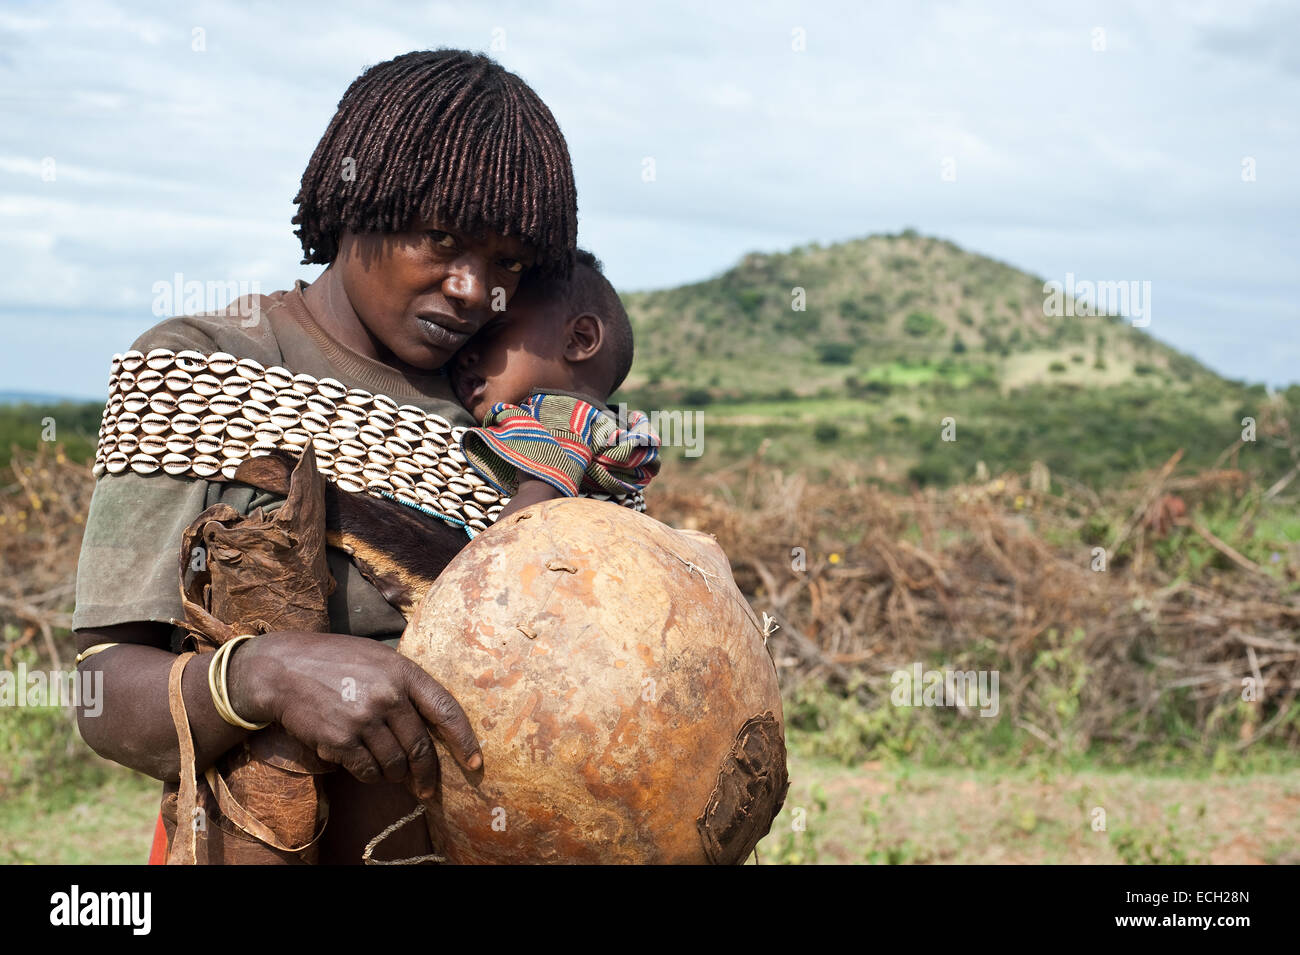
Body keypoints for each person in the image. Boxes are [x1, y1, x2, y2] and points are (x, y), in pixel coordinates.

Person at [71, 49, 632, 864]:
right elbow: (98, 688)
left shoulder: (515, 421)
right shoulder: (209, 370)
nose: (474, 289)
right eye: (441, 239)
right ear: (359, 200)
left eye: (507, 263)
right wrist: (261, 675)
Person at [449, 249, 661, 523]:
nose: (465, 353)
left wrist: (485, 555)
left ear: (578, 340)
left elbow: (539, 499)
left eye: (492, 331)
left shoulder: (556, 418)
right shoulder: (608, 427)